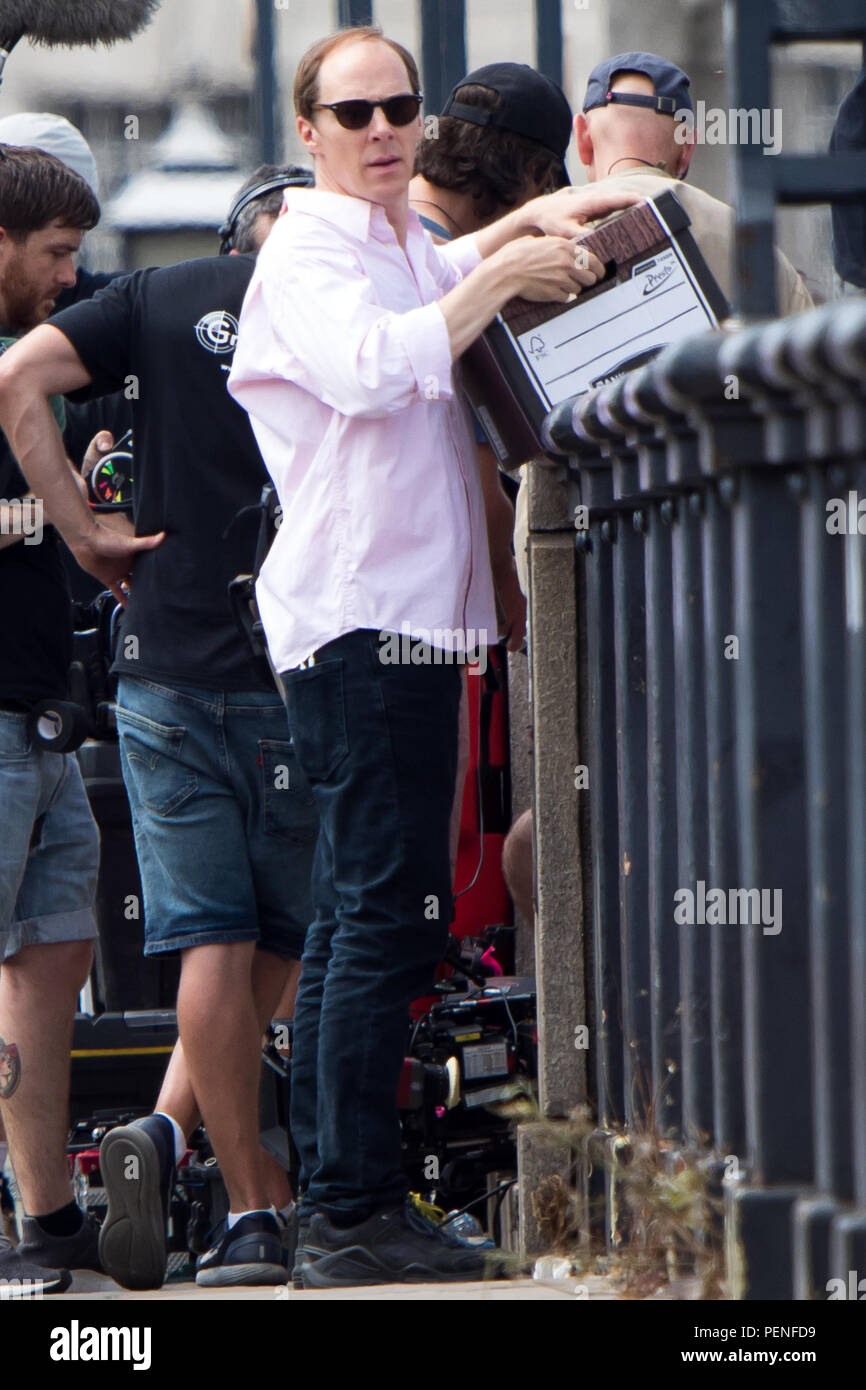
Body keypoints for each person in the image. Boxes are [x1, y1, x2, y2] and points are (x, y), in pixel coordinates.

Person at [226, 24, 638, 1288]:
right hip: (360, 623)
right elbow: (377, 365)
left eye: (398, 107)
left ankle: (349, 1204)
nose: (382, 130)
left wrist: (585, 200)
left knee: (376, 918)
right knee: (371, 919)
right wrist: (504, 278)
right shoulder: (306, 247)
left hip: (404, 623)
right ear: (307, 133)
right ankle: (346, 1211)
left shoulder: (399, 239)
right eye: (353, 114)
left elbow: (449, 263)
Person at [0, 165, 320, 1290]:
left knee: (143, 950)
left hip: (113, 690)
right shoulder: (329, 306)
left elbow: (41, 407)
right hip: (260, 677)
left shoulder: (133, 317)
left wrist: (85, 529)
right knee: (257, 931)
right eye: (50, 247)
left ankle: (130, 1198)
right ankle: (218, 1180)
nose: (69, 268)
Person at [503, 54, 816, 923]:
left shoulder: (543, 241)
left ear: (581, 138)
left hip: (580, 570)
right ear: (685, 149)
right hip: (724, 566)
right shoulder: (754, 243)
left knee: (591, 786)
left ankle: (595, 1003)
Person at [0, 142, 111, 1296]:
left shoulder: (29, 365)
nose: (70, 278)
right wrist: (44, 512)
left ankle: (46, 1221)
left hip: (43, 715)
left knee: (51, 959)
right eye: (56, 254)